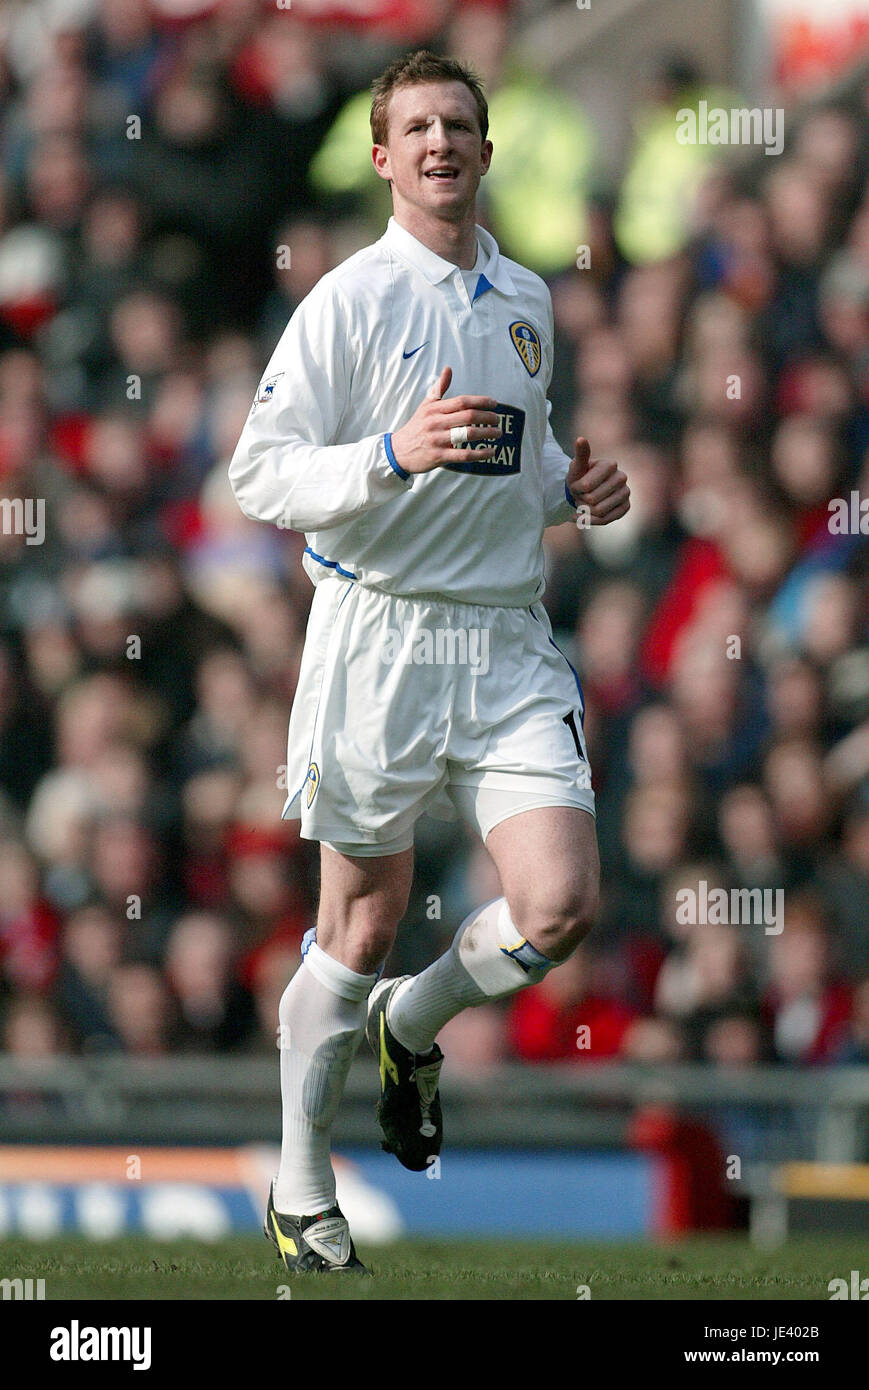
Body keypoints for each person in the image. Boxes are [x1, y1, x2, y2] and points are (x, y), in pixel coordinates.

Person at [229, 49, 630, 1273]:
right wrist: (388, 455)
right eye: (418, 128)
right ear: (382, 156)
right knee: (359, 923)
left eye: (459, 124)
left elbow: (516, 455)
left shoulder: (525, 296)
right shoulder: (348, 302)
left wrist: (572, 487)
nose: (441, 144)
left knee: (559, 905)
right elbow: (259, 472)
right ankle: (302, 1189)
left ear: (485, 150)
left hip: (505, 640)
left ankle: (419, 1017)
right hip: (379, 637)